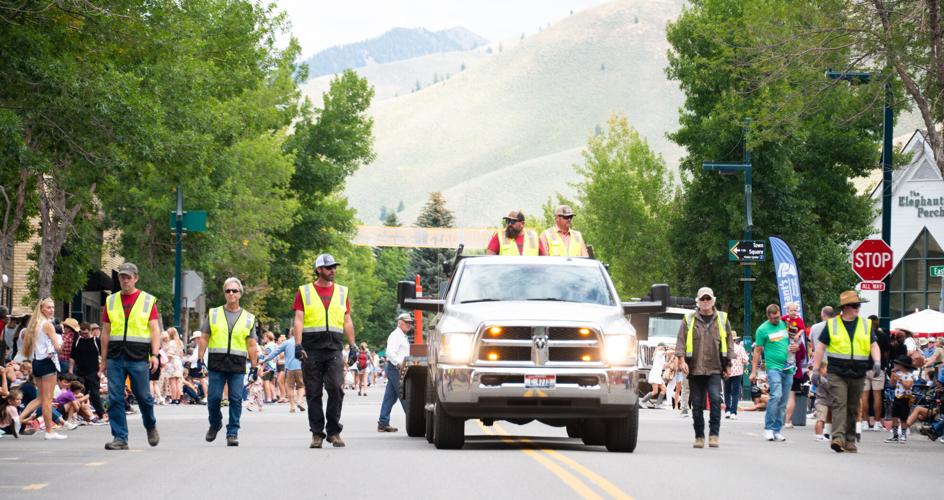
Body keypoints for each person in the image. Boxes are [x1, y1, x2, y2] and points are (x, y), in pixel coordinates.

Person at [294, 253, 357, 448]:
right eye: (329, 267)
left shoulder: (342, 292)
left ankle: (334, 431)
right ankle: (317, 434)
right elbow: (299, 319)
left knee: (336, 388)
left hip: (334, 348)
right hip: (311, 349)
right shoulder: (304, 292)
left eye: (334, 267)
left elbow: (347, 320)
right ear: (319, 270)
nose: (333, 271)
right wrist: (298, 344)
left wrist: (353, 345)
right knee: (313, 392)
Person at [100, 262, 161, 450]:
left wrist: (155, 354)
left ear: (135, 278)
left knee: (143, 396)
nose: (125, 281)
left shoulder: (147, 300)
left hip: (138, 356)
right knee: (115, 397)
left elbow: (154, 329)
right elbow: (105, 332)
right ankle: (120, 437)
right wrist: (103, 359)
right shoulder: (111, 301)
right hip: (115, 356)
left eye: (128, 277)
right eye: (122, 277)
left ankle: (150, 425)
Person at [811, 290, 881, 453]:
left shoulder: (865, 324)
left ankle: (850, 440)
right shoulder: (832, 324)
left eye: (858, 305)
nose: (858, 308)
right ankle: (837, 438)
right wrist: (815, 369)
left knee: (853, 406)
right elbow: (820, 348)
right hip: (837, 372)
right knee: (839, 403)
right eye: (855, 305)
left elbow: (873, 345)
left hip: (858, 371)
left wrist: (877, 361)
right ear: (845, 307)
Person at [196, 277, 259, 447]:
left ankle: (232, 432)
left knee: (236, 398)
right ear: (224, 293)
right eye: (228, 291)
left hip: (237, 364)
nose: (231, 293)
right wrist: (200, 359)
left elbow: (252, 345)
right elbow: (204, 338)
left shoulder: (248, 318)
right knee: (214, 398)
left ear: (240, 294)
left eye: (234, 291)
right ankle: (215, 423)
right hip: (217, 362)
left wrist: (254, 367)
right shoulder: (214, 313)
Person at [675, 287, 733, 449]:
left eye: (708, 299)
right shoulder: (688, 319)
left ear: (713, 300)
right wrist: (681, 361)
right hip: (695, 368)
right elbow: (680, 341)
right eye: (703, 299)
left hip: (715, 368)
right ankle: (699, 436)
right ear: (697, 301)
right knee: (698, 404)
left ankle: (714, 435)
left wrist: (728, 364)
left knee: (715, 399)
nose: (705, 302)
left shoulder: (722, 319)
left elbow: (729, 344)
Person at [20, 298, 67, 440]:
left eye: (53, 307)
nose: (52, 310)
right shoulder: (47, 325)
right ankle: (49, 431)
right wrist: (62, 340)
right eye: (48, 307)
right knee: (47, 399)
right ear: (41, 309)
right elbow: (58, 348)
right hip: (47, 363)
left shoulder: (35, 324)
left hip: (37, 362)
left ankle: (18, 418)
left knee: (40, 398)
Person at [750, 304, 794, 442]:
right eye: (774, 318)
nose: (777, 320)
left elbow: (792, 342)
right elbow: (757, 351)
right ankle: (768, 428)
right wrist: (753, 372)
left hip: (788, 367)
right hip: (773, 367)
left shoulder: (785, 325)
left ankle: (777, 429)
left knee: (784, 399)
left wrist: (795, 347)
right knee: (776, 395)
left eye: (778, 317)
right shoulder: (762, 330)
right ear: (768, 316)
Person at [377, 313, 412, 432]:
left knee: (390, 397)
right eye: (406, 322)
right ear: (399, 322)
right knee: (405, 395)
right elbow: (390, 353)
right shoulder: (396, 335)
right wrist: (399, 363)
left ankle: (383, 422)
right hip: (396, 368)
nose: (409, 324)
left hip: (396, 368)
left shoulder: (401, 335)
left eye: (410, 323)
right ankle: (414, 422)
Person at [260, 329, 306, 413]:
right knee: (301, 386)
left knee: (290, 387)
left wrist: (265, 360)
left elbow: (275, 352)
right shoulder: (303, 342)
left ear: (290, 334)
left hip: (289, 368)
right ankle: (299, 401)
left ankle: (292, 406)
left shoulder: (286, 343)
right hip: (300, 367)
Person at [71, 321, 105, 420]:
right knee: (80, 393)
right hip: (80, 372)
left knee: (94, 394)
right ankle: (84, 415)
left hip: (93, 372)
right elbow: (72, 357)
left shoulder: (96, 341)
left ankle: (101, 414)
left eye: (86, 333)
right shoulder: (77, 341)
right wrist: (70, 370)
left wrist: (100, 371)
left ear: (90, 331)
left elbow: (104, 356)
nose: (84, 335)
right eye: (82, 333)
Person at [885, 355, 916, 443]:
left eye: (897, 364)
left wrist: (900, 380)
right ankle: (895, 435)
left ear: (903, 365)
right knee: (894, 416)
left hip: (905, 398)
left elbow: (907, 386)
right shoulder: (896, 374)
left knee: (903, 418)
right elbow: (891, 385)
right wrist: (892, 375)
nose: (895, 365)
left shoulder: (910, 375)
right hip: (897, 397)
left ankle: (903, 435)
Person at [724, 331, 749, 420]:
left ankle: (727, 410)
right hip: (738, 372)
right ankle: (733, 412)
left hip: (726, 372)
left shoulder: (725, 348)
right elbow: (745, 360)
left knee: (727, 392)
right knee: (735, 393)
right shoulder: (740, 348)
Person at [641, 344, 669, 409]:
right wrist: (674, 350)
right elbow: (668, 352)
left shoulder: (662, 356)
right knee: (655, 391)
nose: (665, 348)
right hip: (655, 374)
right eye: (664, 347)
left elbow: (665, 366)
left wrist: (672, 360)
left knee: (664, 389)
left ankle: (657, 405)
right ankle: (642, 401)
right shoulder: (659, 353)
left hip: (658, 375)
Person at [811, 360, 833, 442]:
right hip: (822, 402)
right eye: (826, 368)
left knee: (821, 419)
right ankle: (818, 435)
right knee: (821, 419)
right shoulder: (822, 379)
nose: (828, 370)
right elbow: (829, 389)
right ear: (821, 369)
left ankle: (819, 434)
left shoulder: (821, 379)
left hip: (822, 402)